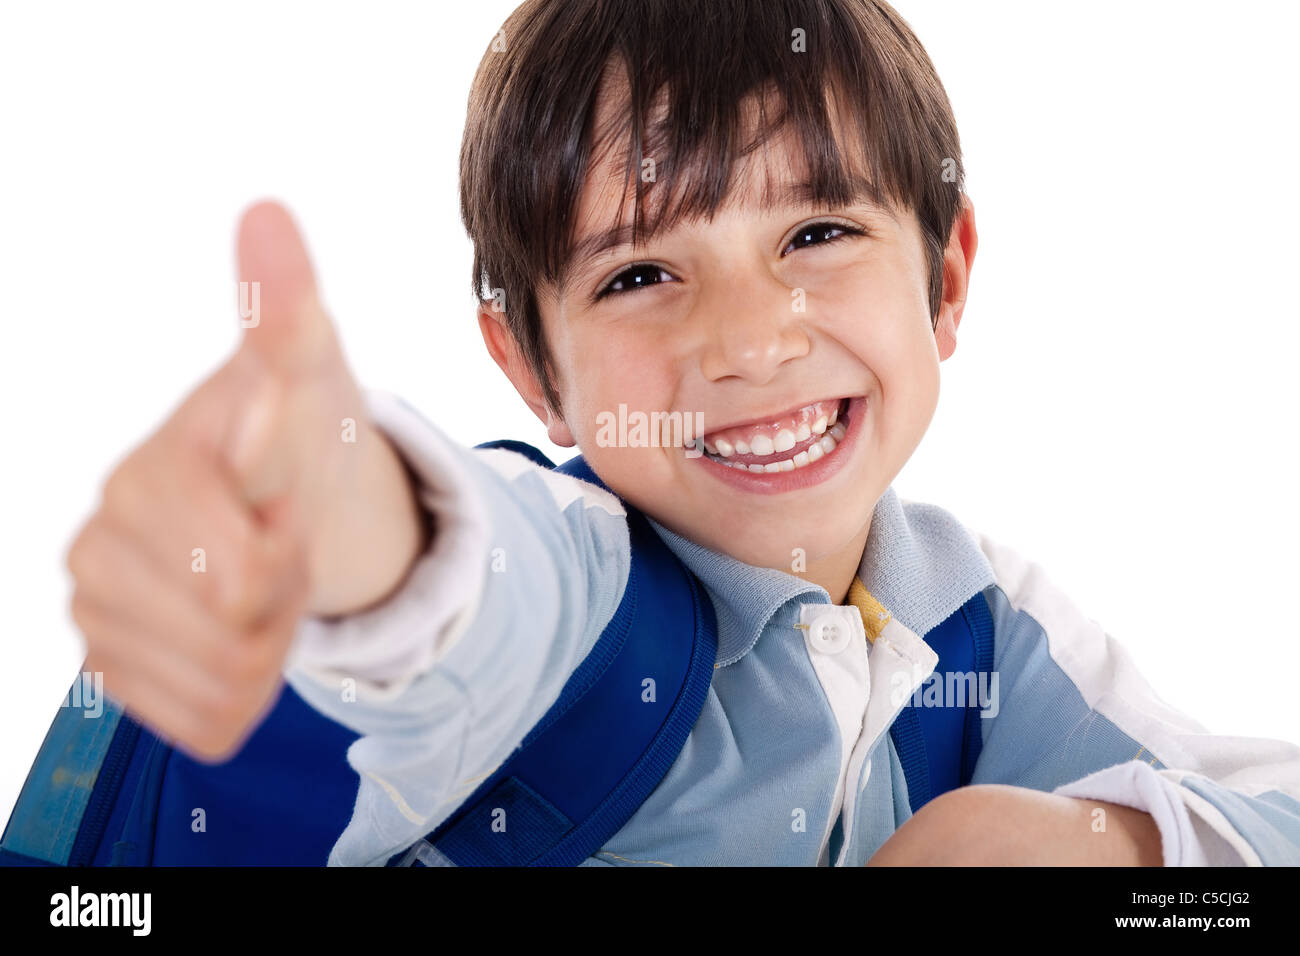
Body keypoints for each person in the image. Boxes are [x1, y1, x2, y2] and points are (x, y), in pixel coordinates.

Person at [62, 0, 1300, 865]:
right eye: (641, 273)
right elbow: (456, 595)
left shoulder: (973, 616)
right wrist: (330, 509)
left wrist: (1099, 843)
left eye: (815, 234)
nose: (753, 339)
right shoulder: (581, 578)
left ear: (947, 278)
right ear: (528, 366)